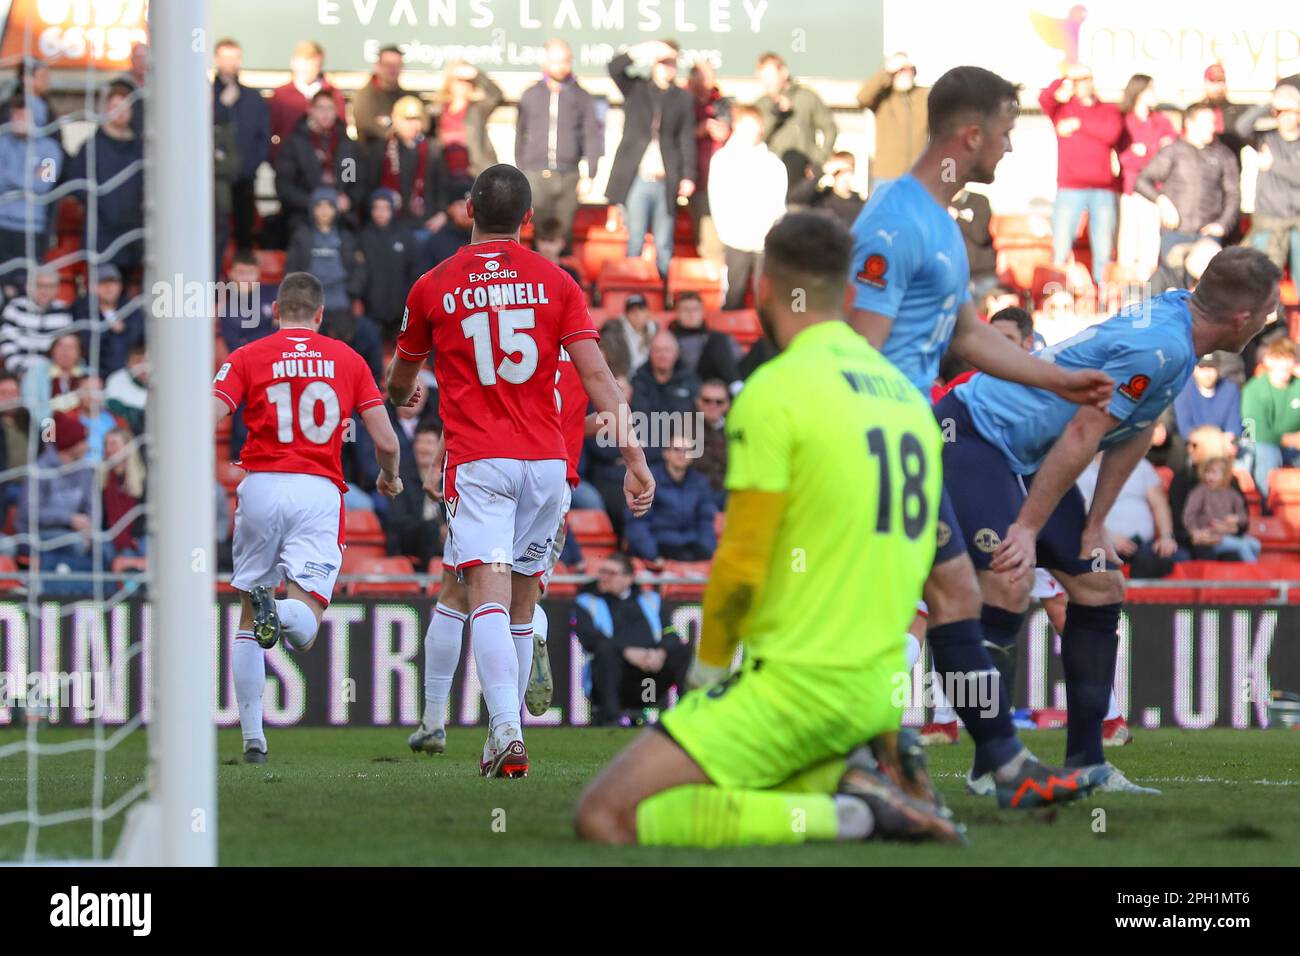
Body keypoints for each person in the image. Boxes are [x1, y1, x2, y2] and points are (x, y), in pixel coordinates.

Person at [576, 211, 962, 848]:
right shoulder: (906, 400)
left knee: (605, 815)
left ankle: (858, 813)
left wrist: (702, 678)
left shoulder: (776, 389)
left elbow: (742, 562)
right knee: (755, 808)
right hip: (878, 690)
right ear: (851, 292)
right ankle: (858, 789)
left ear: (759, 291)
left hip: (796, 685)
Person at [849, 65, 1113, 808]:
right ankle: (861, 758)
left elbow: (966, 335)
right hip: (876, 441)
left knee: (957, 591)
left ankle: (1001, 764)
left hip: (908, 443)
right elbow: (858, 347)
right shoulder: (894, 219)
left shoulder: (943, 222)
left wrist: (1062, 381)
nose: (1008, 146)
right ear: (970, 136)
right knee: (894, 602)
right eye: (1005, 132)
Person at [940, 246, 1280, 789]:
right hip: (973, 433)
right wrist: (1026, 529)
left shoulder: (1179, 324)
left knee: (1099, 583)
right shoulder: (1164, 347)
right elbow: (1082, 435)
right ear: (1242, 319)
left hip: (1024, 455)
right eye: (1268, 310)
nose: (1274, 319)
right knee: (1010, 578)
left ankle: (1087, 764)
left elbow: (1136, 428)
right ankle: (992, 759)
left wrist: (1094, 525)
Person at [387, 164, 654, 778]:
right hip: (547, 469)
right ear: (528, 218)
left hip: (482, 461)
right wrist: (635, 458)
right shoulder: (557, 281)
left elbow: (403, 379)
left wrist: (402, 391)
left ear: (468, 212)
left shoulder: (434, 285)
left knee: (479, 589)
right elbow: (596, 376)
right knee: (521, 601)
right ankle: (500, 727)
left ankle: (503, 730)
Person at [212, 272, 406, 763]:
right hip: (317, 491)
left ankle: (253, 738)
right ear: (320, 315)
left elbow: (207, 411)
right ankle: (276, 611)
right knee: (307, 627)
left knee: (246, 616)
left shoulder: (246, 356)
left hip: (258, 487)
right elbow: (385, 441)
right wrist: (390, 477)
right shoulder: (348, 359)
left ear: (276, 312)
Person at [606, 40, 696, 279]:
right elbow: (614, 67)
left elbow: (686, 138)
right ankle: (631, 290)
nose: (668, 68)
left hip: (666, 180)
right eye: (664, 62)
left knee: (664, 242)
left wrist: (688, 176)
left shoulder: (683, 98)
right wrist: (644, 50)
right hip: (638, 178)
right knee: (635, 238)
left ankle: (664, 296)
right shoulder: (637, 88)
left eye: (672, 63)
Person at [574, 551, 691, 726]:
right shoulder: (587, 601)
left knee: (683, 651)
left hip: (648, 683)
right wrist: (626, 651)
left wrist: (660, 652)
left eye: (611, 573)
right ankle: (610, 718)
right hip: (613, 681)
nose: (604, 578)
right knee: (606, 650)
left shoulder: (651, 600)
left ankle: (687, 717)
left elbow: (670, 633)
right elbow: (589, 638)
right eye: (602, 572)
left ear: (628, 578)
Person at [1039, 64, 1123, 287]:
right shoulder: (1062, 109)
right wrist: (1064, 76)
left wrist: (1079, 124)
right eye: (1078, 81)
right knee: (1061, 246)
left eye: (1086, 79)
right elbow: (1044, 98)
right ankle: (1057, 294)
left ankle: (1100, 296)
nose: (1083, 84)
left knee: (1104, 248)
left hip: (1103, 189)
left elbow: (1111, 133)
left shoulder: (1109, 110)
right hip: (1070, 187)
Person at [515, 39, 603, 247]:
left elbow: (591, 136)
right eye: (555, 61)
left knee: (564, 234)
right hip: (536, 174)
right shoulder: (531, 94)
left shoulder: (582, 96)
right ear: (545, 62)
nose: (560, 67)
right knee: (539, 232)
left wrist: (590, 174)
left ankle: (564, 277)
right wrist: (522, 170)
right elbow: (520, 134)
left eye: (564, 61)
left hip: (569, 175)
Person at [1135, 101, 1239, 272]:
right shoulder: (1173, 151)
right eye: (1206, 122)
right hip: (1176, 232)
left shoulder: (1223, 154)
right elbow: (1142, 180)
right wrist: (1162, 201)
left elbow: (1233, 194)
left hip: (1208, 234)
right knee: (1175, 288)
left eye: (1213, 122)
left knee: (1206, 289)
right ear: (1190, 123)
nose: (1212, 127)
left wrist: (1223, 224)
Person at [705, 104, 787, 311]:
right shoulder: (723, 160)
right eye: (748, 125)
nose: (754, 130)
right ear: (737, 126)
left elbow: (778, 201)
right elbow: (717, 197)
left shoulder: (773, 163)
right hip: (735, 238)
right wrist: (727, 230)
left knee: (765, 297)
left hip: (764, 240)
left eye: (757, 125)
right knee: (734, 293)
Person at [61, 87, 143, 275]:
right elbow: (75, 183)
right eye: (115, 106)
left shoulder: (139, 149)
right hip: (102, 237)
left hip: (135, 240)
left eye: (125, 107)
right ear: (105, 109)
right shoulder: (91, 147)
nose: (121, 112)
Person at [1075, 452, 1182, 579]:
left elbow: (1159, 504)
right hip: (1101, 543)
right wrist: (1109, 537)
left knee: (1174, 557)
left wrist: (1166, 536)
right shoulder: (1084, 470)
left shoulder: (1142, 466)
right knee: (1096, 568)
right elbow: (1081, 510)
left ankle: (1141, 596)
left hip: (1143, 546)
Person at [273, 89, 362, 234]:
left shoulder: (345, 144)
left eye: (330, 108)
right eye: (321, 108)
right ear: (311, 110)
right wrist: (314, 202)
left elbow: (352, 180)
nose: (325, 113)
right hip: (303, 215)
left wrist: (349, 199)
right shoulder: (295, 143)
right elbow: (285, 185)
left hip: (340, 216)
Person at [1236, 83, 1300, 284]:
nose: (1289, 117)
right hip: (1269, 220)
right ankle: (1270, 316)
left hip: (1298, 221)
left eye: (1294, 112)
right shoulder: (1265, 138)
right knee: (1263, 279)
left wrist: (1273, 165)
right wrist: (1270, 101)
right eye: (1283, 112)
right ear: (1275, 114)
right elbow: (1241, 126)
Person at [212, 38, 270, 252]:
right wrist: (221, 106)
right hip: (213, 180)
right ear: (217, 59)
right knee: (215, 233)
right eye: (226, 57)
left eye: (235, 57)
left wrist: (248, 168)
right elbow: (200, 130)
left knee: (245, 236)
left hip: (245, 180)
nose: (230, 63)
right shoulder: (204, 95)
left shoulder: (253, 98)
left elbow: (263, 138)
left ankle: (242, 282)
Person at [626, 430, 717, 565]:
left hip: (691, 548)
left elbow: (705, 521)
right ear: (665, 453)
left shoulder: (700, 482)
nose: (682, 455)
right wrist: (653, 555)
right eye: (677, 449)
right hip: (660, 548)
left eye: (688, 450)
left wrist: (706, 551)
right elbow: (638, 522)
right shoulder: (649, 480)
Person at [1116, 74, 1175, 280]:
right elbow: (1127, 159)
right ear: (1139, 91)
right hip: (1131, 190)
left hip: (1154, 191)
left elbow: (1169, 153)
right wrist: (1153, 150)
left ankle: (1144, 287)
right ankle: (1126, 288)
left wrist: (1145, 151)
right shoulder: (1124, 120)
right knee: (1129, 243)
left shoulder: (1161, 121)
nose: (1155, 94)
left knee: (1150, 244)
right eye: (1151, 89)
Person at [0, 93, 63, 287]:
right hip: (2, 224)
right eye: (15, 116)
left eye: (23, 116)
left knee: (25, 285)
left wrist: (10, 176)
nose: (17, 121)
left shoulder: (52, 149)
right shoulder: (2, 143)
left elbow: (45, 184)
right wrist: (30, 176)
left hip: (33, 229)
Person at [754, 52, 838, 189]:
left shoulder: (806, 97)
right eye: (762, 79)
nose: (766, 84)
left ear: (784, 73)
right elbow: (757, 138)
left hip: (805, 171)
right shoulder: (761, 105)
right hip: (773, 173)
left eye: (770, 78)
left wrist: (819, 160)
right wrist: (775, 115)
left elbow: (830, 128)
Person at [1241, 336, 1300, 506]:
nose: (1284, 365)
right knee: (1267, 453)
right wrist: (1290, 439)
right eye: (1279, 359)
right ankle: (1265, 506)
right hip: (1261, 444)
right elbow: (1255, 431)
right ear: (1268, 361)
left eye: (1289, 359)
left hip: (1293, 446)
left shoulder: (1298, 386)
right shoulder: (1254, 389)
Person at [268, 41, 347, 162]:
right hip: (289, 164)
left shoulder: (333, 94)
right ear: (293, 63)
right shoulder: (281, 95)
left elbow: (341, 129)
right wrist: (277, 159)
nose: (307, 70)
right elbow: (272, 131)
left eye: (312, 65)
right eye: (303, 64)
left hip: (326, 165)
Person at [857, 52, 928, 184]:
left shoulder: (924, 95)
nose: (905, 73)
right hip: (887, 176)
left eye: (908, 69)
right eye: (900, 70)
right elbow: (862, 98)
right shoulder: (883, 98)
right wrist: (886, 71)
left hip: (918, 176)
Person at [358, 189, 419, 338]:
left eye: (385, 208)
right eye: (376, 208)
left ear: (392, 209)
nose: (380, 212)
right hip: (372, 311)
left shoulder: (405, 235)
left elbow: (414, 270)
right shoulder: (363, 237)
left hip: (401, 312)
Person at [686, 59, 730, 261]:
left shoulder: (723, 104)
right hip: (694, 178)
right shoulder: (682, 102)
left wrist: (725, 131)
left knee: (717, 237)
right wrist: (698, 130)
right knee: (707, 237)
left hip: (719, 179)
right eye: (702, 76)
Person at [384, 423, 443, 570]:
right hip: (409, 541)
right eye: (419, 442)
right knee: (430, 529)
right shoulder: (401, 476)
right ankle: (425, 582)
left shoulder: (449, 477)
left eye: (429, 443)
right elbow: (397, 520)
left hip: (443, 541)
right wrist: (435, 528)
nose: (423, 448)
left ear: (440, 448)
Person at [1182, 457, 1259, 562]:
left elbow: (1243, 516)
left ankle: (1249, 569)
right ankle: (1255, 574)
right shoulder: (1200, 492)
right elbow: (1189, 515)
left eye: (1214, 473)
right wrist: (1196, 531)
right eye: (1207, 472)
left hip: (1228, 535)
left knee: (1256, 545)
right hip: (1211, 537)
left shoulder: (1232, 493)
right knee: (1243, 546)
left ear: (1225, 475)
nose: (1209, 476)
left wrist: (1236, 518)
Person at [434, 61, 503, 180]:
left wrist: (476, 74)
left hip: (474, 174)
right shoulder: (438, 112)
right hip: (445, 177)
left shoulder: (477, 110)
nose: (464, 85)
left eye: (468, 81)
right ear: (450, 82)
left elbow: (495, 95)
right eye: (459, 80)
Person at [74, 265, 142, 380]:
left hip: (129, 376)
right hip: (95, 376)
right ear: (92, 288)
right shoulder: (81, 310)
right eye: (103, 283)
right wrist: (108, 328)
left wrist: (123, 330)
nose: (108, 287)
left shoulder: (131, 309)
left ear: (120, 286)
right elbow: (85, 344)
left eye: (113, 282)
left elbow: (140, 339)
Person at [0, 268, 74, 373]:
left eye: (50, 286)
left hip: (51, 372)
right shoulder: (15, 308)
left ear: (57, 289)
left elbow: (64, 347)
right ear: (28, 287)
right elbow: (6, 343)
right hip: (18, 371)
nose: (44, 291)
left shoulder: (63, 311)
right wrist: (18, 368)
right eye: (39, 286)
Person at [631, 330, 700, 436]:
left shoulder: (690, 380)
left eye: (667, 350)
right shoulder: (638, 381)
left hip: (682, 441)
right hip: (649, 442)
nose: (662, 355)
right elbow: (640, 418)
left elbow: (695, 418)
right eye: (657, 350)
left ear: (677, 353)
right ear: (650, 354)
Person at [667, 291, 741, 390]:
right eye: (685, 309)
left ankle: (736, 385)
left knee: (762, 345)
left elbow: (737, 359)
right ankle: (736, 387)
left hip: (724, 378)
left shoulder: (716, 336)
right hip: (693, 380)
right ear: (677, 313)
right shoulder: (669, 337)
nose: (691, 314)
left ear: (702, 312)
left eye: (695, 309)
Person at [1173, 353, 1241, 442]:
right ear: (1194, 369)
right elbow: (1185, 429)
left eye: (1211, 368)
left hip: (1223, 445)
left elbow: (1233, 427)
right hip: (1194, 446)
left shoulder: (1229, 389)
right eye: (1202, 368)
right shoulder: (1183, 389)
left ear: (1219, 368)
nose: (1207, 374)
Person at [787, 151, 865, 226]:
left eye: (846, 171)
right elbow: (794, 198)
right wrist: (823, 170)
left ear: (853, 171)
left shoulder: (861, 205)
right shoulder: (822, 199)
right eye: (837, 171)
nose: (842, 176)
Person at [352, 46, 407, 147]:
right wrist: (400, 130)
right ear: (377, 66)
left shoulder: (407, 98)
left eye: (397, 65)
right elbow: (366, 125)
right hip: (370, 156)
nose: (392, 69)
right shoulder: (364, 96)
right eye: (388, 64)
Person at [948, 187, 997, 302]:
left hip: (982, 275)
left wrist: (958, 217)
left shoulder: (979, 201)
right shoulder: (941, 202)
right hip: (957, 276)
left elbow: (981, 235)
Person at [693, 378, 729, 508]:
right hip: (694, 497)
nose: (712, 406)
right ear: (698, 401)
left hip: (728, 494)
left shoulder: (735, 428)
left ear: (727, 405)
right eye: (707, 400)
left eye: (719, 402)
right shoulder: (683, 427)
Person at [1201, 62, 1248, 160]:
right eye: (1213, 82)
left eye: (1221, 81)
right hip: (1201, 167)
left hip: (1231, 165)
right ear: (1205, 83)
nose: (1218, 87)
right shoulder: (1196, 112)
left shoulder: (1237, 111)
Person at [601, 293, 655, 371]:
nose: (638, 315)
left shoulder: (655, 332)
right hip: (625, 378)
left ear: (647, 312)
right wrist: (619, 375)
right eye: (633, 311)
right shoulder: (614, 332)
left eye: (641, 310)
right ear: (626, 315)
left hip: (648, 379)